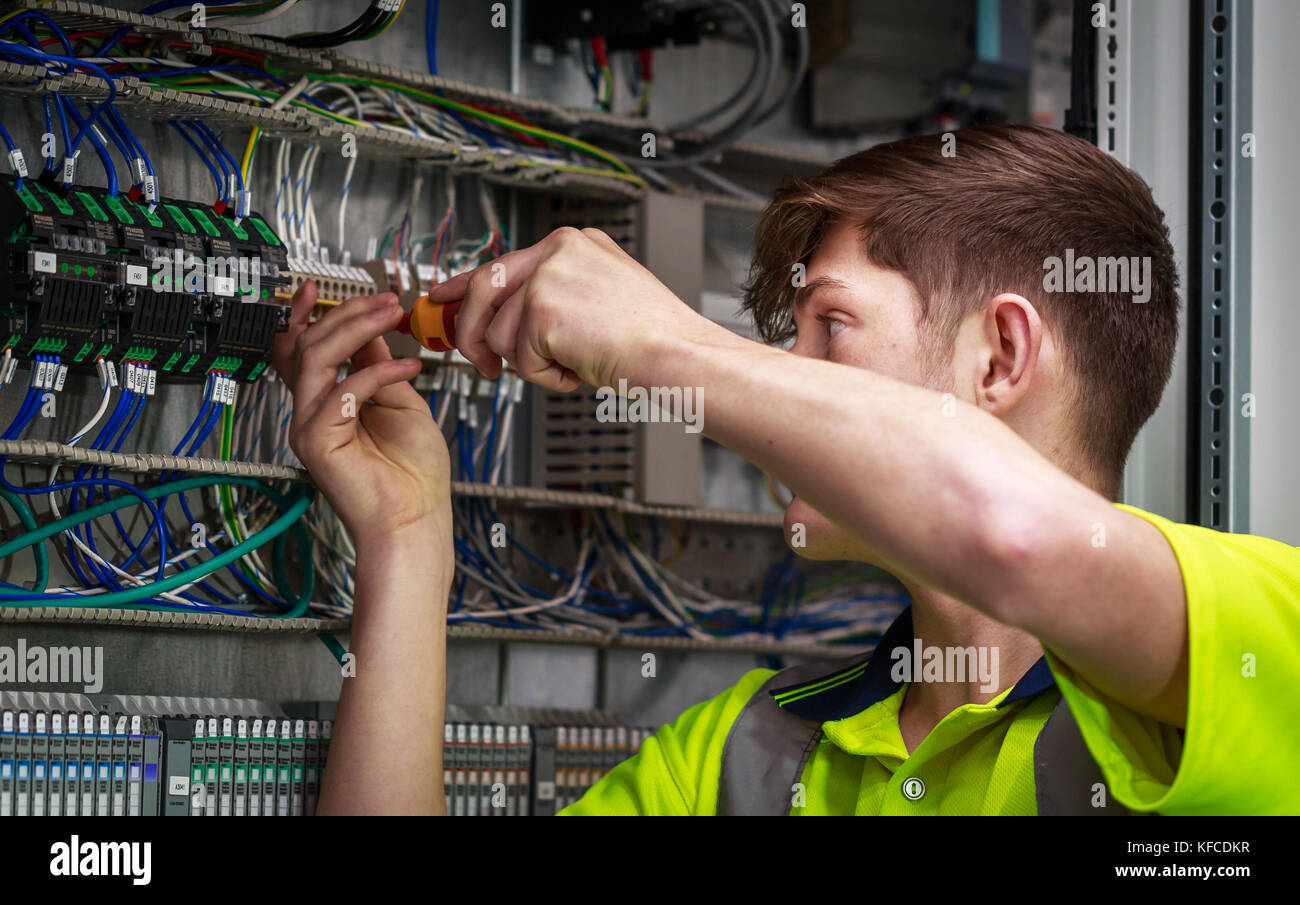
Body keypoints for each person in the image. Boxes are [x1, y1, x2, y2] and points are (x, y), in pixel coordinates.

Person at [283, 124, 1300, 816]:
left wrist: (658, 344)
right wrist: (409, 545)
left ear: (1000, 357)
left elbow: (1013, 535)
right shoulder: (750, 755)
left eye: (832, 326)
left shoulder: (1257, 640)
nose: (784, 387)